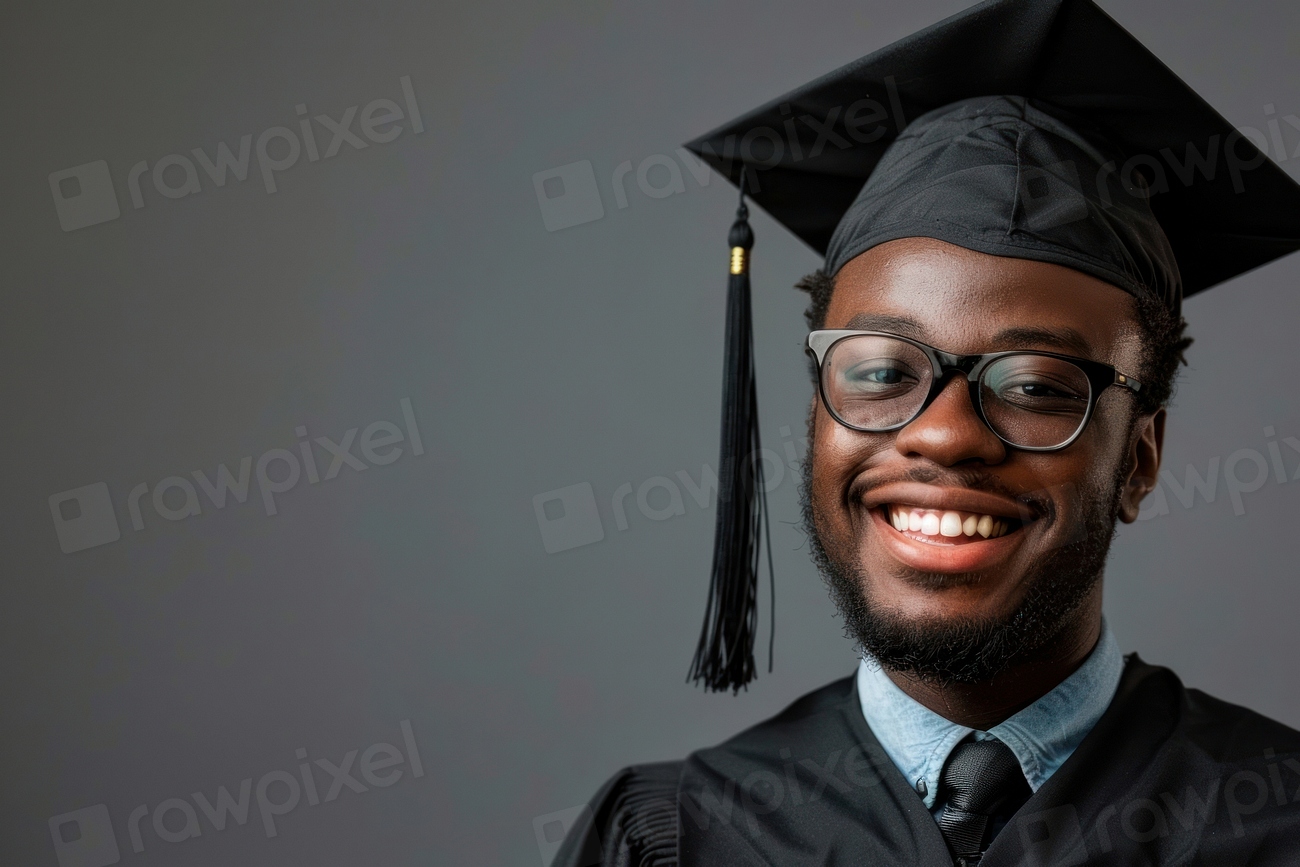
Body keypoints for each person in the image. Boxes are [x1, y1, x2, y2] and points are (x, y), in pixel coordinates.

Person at [556, 0, 1300, 864]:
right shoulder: (674, 838)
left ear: (1139, 460)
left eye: (1032, 385)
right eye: (879, 372)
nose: (945, 436)